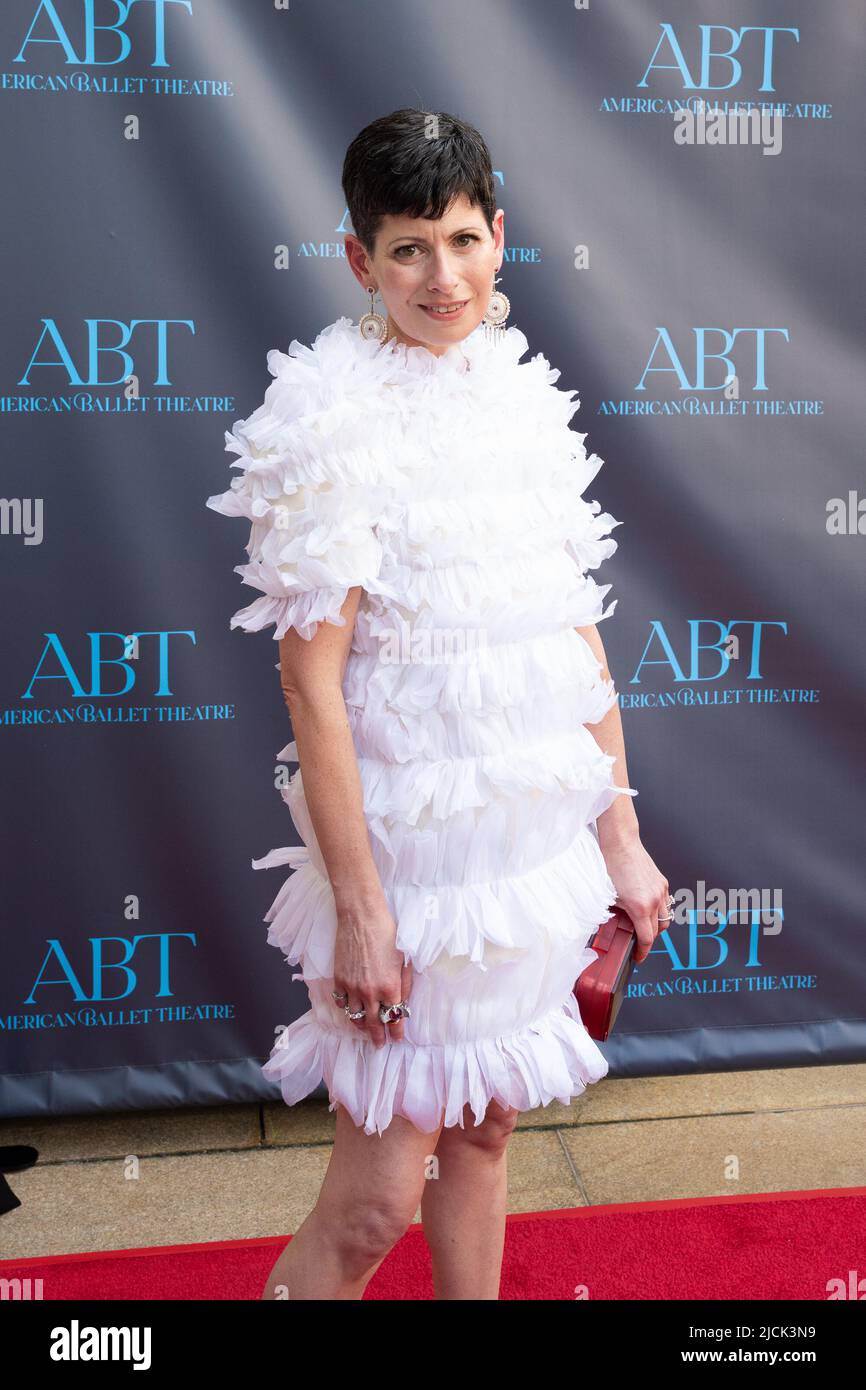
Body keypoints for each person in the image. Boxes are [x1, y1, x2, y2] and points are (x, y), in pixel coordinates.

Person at [206, 107, 671, 1301]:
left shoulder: (520, 398)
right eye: (407, 248)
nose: (441, 275)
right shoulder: (326, 421)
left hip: (522, 847)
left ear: (499, 237)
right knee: (368, 1207)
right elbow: (310, 680)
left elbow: (572, 640)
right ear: (360, 261)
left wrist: (617, 835)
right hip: (402, 865)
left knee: (483, 1135)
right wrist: (361, 913)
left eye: (460, 239)